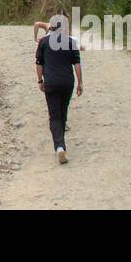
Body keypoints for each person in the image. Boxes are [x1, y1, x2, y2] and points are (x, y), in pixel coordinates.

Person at [33, 15, 82, 164]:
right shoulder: (70, 42)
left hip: (51, 82)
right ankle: (61, 142)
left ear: (51, 27)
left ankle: (60, 147)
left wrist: (40, 80)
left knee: (54, 115)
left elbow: (39, 63)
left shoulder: (43, 41)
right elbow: (77, 64)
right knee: (63, 111)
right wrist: (80, 83)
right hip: (67, 82)